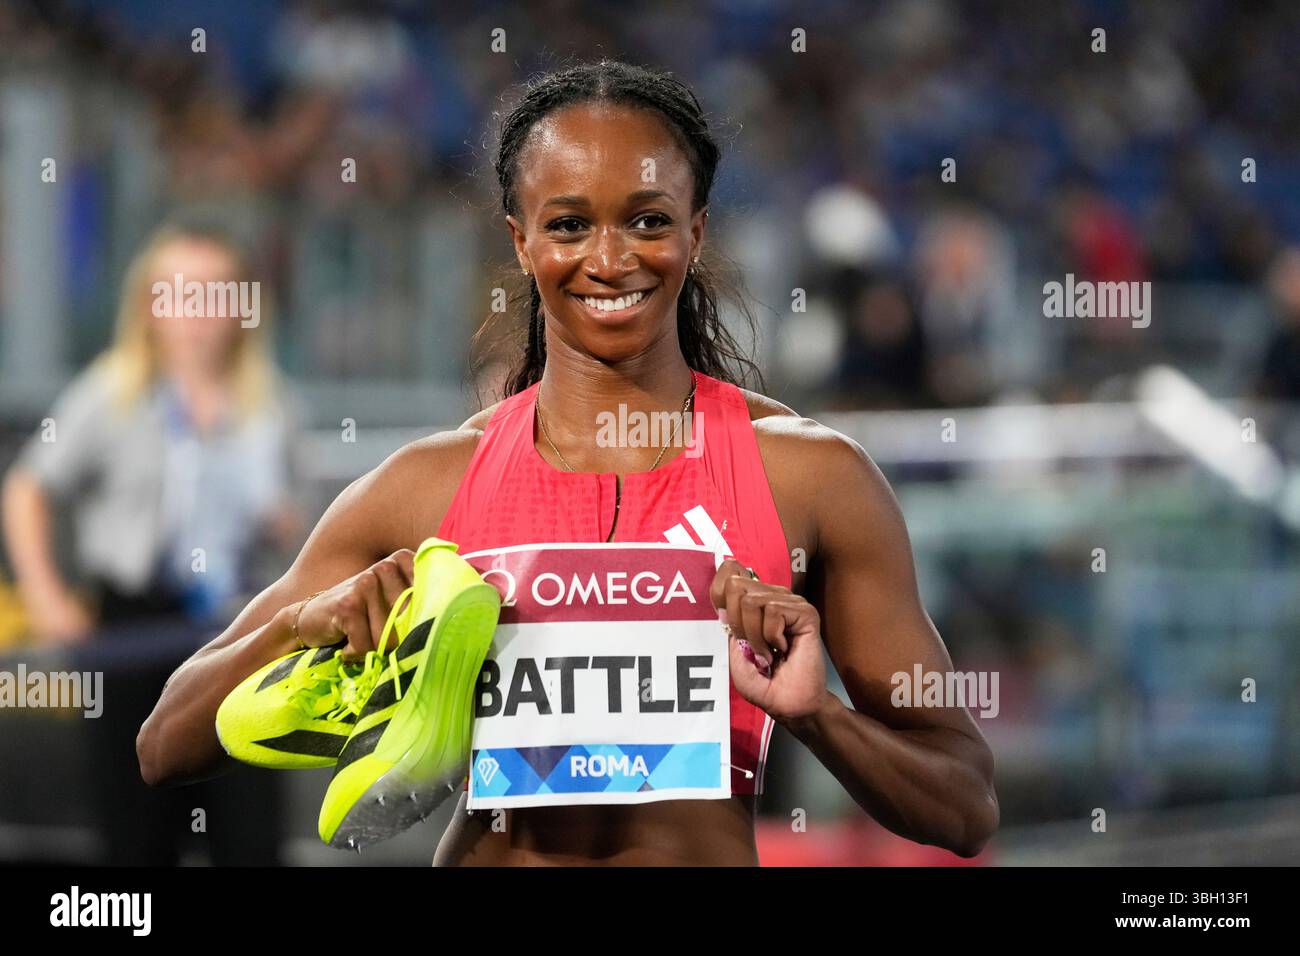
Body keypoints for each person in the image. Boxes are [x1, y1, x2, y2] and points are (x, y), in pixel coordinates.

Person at [137, 61, 998, 866]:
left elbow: (963, 807)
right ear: (520, 241)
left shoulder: (811, 480)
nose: (611, 259)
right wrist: (303, 625)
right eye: (570, 224)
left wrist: (817, 715)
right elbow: (163, 744)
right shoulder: (426, 487)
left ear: (695, 233)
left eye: (649, 220)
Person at [3, 221, 302, 864]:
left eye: (213, 294)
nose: (196, 315)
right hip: (136, 629)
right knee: (137, 833)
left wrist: (282, 524)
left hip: (239, 631)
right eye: (177, 294)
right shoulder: (112, 395)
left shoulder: (269, 407)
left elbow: (300, 524)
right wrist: (48, 597)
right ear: (148, 307)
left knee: (250, 831)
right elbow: (27, 487)